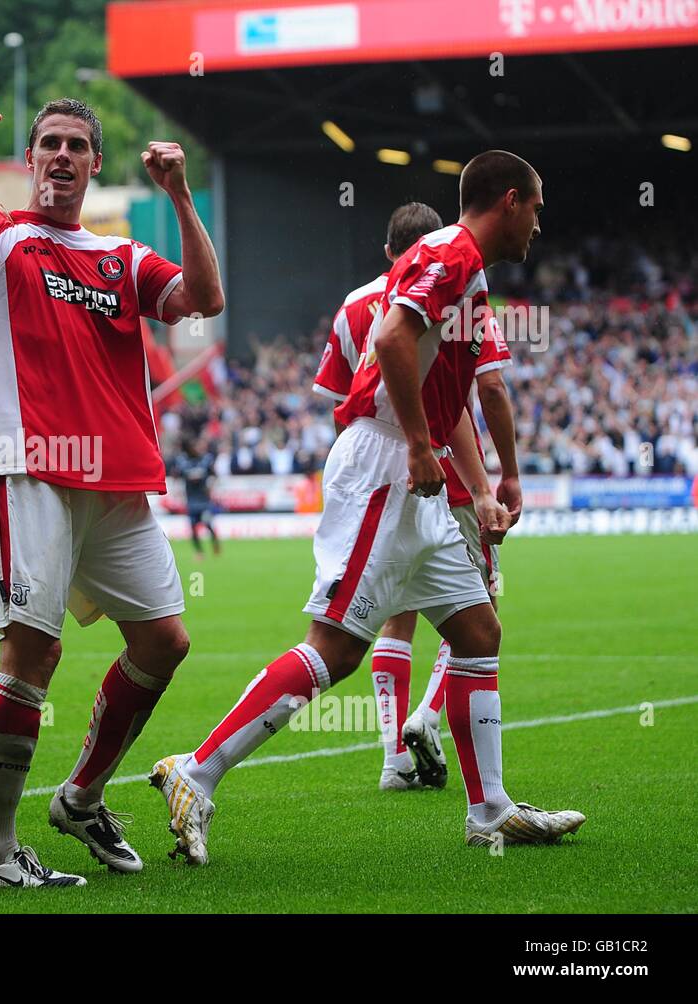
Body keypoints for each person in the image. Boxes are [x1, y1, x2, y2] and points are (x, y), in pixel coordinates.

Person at [151, 150, 584, 863]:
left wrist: (478, 485)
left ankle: (491, 811)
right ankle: (195, 774)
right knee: (338, 648)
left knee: (477, 632)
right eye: (536, 207)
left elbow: (448, 401)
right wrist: (415, 447)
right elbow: (390, 341)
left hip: (417, 473)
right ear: (510, 201)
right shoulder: (449, 253)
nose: (539, 223)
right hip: (386, 465)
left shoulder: (468, 270)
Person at [0, 96, 224, 887]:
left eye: (78, 145)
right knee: (32, 652)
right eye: (50, 144)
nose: (63, 156)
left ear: (95, 164)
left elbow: (204, 302)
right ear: (32, 158)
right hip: (27, 463)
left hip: (115, 479)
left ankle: (79, 797)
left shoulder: (122, 258)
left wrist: (179, 194)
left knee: (164, 642)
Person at [313, 201, 523, 792]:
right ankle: (426, 718)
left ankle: (393, 759)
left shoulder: (354, 304)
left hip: (381, 463)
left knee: (396, 618)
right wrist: (497, 479)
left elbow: (340, 399)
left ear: (390, 251)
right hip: (437, 462)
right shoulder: (454, 282)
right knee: (477, 609)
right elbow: (488, 386)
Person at [173, 436, 220, 558]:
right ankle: (199, 552)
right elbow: (176, 475)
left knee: (207, 523)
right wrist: (178, 490)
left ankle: (215, 545)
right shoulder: (183, 461)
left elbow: (215, 475)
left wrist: (211, 486)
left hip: (204, 501)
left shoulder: (206, 460)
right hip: (191, 501)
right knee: (193, 528)